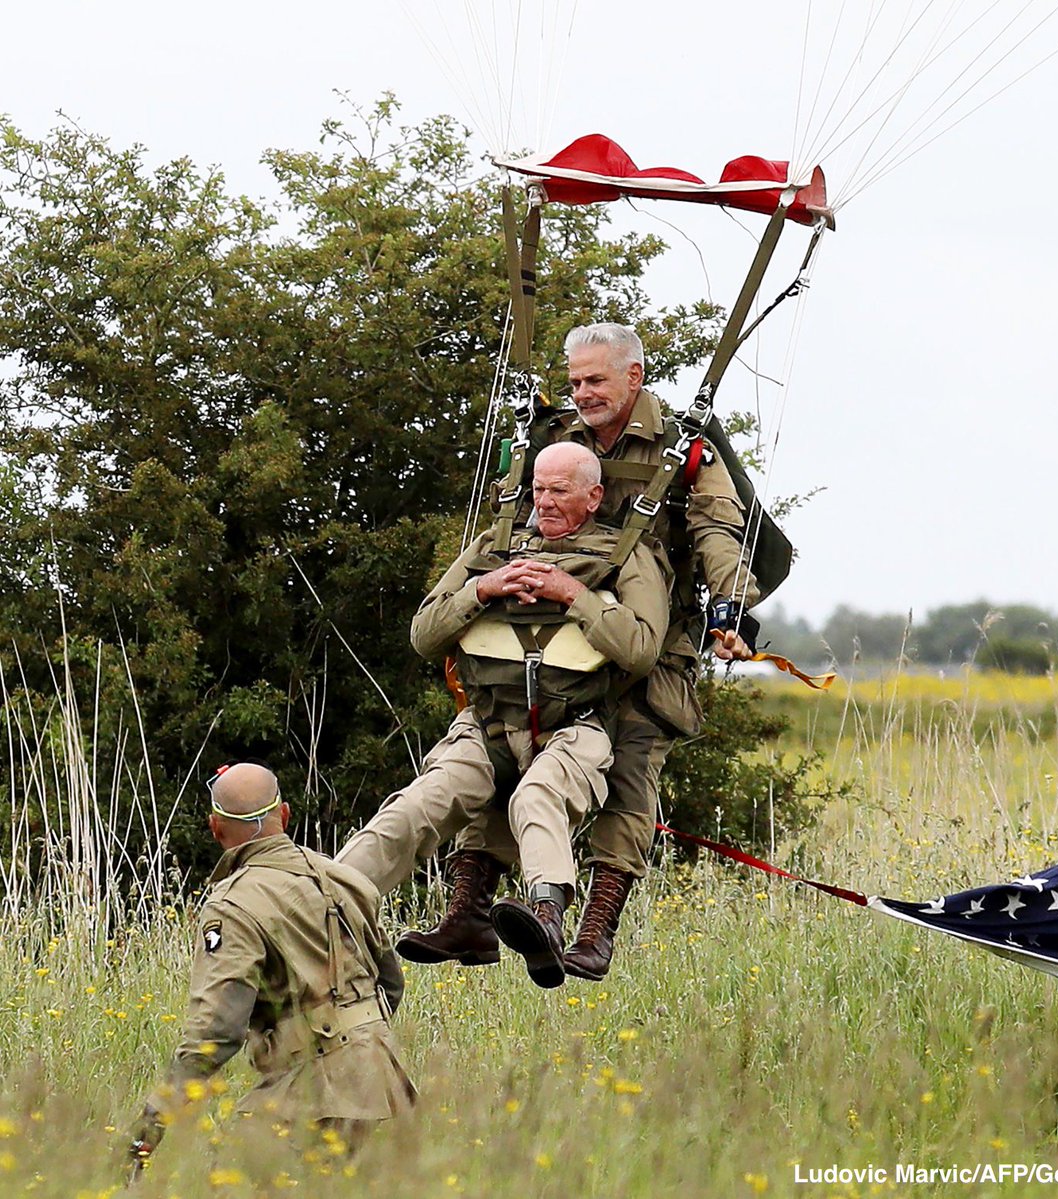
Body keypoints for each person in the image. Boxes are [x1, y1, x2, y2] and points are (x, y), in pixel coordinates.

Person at [397, 323, 758, 981]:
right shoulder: (556, 438)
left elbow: (719, 532)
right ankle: (470, 911)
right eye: (575, 381)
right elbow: (515, 514)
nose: (583, 393)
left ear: (634, 377)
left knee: (632, 767)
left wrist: (734, 608)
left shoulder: (686, 448)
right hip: (551, 636)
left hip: (644, 638)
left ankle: (594, 931)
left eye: (596, 380)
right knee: (501, 741)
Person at [336, 442, 670, 988]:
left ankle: (545, 916)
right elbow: (424, 635)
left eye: (559, 490)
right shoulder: (494, 547)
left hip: (576, 724)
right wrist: (484, 588)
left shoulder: (626, 555)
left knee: (538, 796)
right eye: (538, 488)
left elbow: (640, 650)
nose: (545, 501)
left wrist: (574, 596)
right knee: (422, 801)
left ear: (594, 496)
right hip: (488, 722)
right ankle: (325, 901)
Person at [130, 762, 414, 1167]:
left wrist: (154, 1118)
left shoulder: (232, 905)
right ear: (284, 815)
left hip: (315, 1091)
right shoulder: (346, 879)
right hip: (387, 1080)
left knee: (228, 1182)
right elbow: (390, 984)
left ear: (215, 828)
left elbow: (217, 1030)